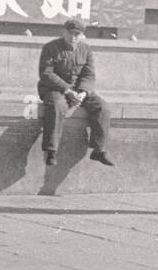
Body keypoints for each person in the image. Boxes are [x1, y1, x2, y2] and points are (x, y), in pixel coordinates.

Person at [36, 18, 114, 167]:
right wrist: (67, 90)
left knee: (103, 107)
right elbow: (47, 74)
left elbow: (89, 75)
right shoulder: (50, 47)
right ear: (64, 32)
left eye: (77, 34)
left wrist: (84, 92)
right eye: (71, 33)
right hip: (56, 89)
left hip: (79, 90)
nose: (74, 37)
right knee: (56, 105)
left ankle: (99, 150)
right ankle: (51, 151)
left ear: (82, 35)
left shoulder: (86, 50)